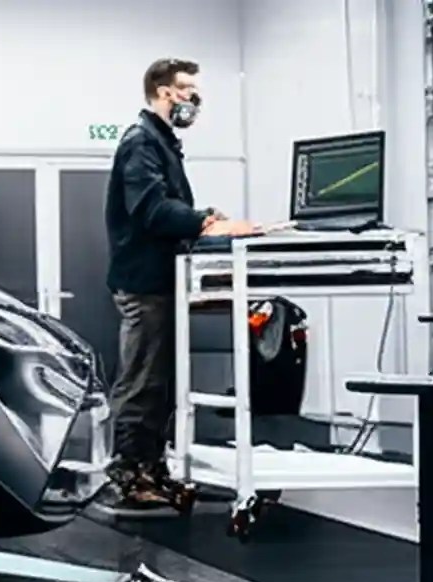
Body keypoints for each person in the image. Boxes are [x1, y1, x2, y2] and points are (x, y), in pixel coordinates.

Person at [93, 57, 259, 511]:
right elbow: (151, 211)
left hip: (158, 281)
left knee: (157, 381)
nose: (194, 99)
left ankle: (151, 469)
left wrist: (201, 219)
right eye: (187, 89)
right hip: (144, 283)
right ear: (165, 93)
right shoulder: (141, 143)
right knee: (142, 379)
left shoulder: (161, 143)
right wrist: (204, 221)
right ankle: (127, 478)